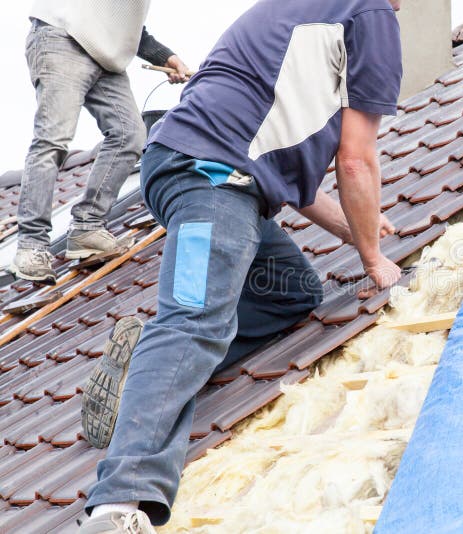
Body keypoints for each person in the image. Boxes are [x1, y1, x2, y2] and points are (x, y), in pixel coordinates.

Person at [77, 0, 403, 532]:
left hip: (210, 177)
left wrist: (354, 229)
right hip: (209, 180)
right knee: (193, 320)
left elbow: (289, 183)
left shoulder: (300, 13)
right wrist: (373, 259)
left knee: (291, 291)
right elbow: (356, 159)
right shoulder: (370, 15)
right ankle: (121, 503)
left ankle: (147, 365)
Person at [10, 1, 189, 285]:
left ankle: (87, 226)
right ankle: (32, 245)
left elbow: (123, 27)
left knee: (130, 134)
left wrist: (165, 56)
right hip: (62, 37)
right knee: (52, 140)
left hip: (105, 55)